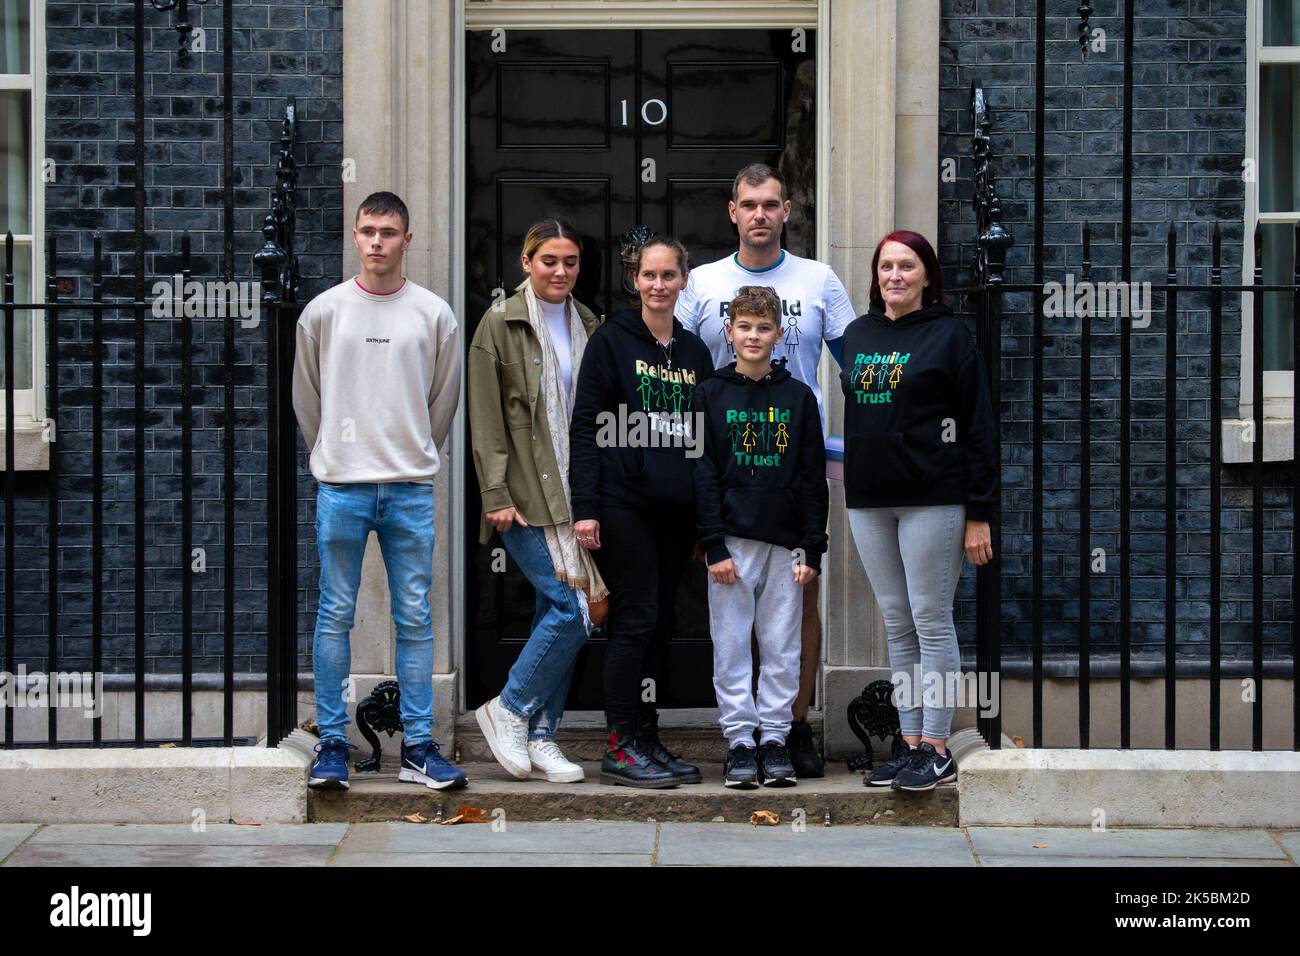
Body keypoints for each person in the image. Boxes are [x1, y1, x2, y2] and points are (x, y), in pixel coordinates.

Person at [676, 163, 855, 777]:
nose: (760, 213)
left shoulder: (819, 279)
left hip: (789, 496)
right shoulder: (700, 283)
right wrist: (706, 530)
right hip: (727, 499)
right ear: (733, 211)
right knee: (732, 637)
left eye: (771, 203)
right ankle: (741, 738)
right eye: (748, 203)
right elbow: (669, 365)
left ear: (785, 211)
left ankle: (786, 731)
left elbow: (864, 365)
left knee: (789, 629)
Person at [293, 191, 466, 791]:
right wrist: (333, 452)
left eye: (387, 232)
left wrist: (411, 450)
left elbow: (442, 402)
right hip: (342, 486)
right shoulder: (323, 312)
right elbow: (307, 398)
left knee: (414, 618)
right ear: (355, 236)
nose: (375, 242)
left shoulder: (433, 314)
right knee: (334, 614)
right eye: (366, 231)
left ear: (407, 240)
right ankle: (333, 744)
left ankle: (419, 747)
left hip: (410, 487)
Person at [840, 230, 997, 792]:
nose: (895, 275)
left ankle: (937, 746)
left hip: (934, 498)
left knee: (931, 620)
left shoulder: (950, 336)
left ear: (927, 275)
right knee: (898, 624)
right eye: (886, 266)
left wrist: (979, 512)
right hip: (870, 500)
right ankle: (908, 746)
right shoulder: (857, 336)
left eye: (907, 266)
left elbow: (977, 428)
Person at [569, 235, 715, 788]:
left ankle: (647, 736)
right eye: (649, 276)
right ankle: (620, 743)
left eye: (668, 276)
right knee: (634, 621)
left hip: (676, 512)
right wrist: (586, 508)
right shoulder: (611, 341)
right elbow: (586, 425)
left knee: (660, 624)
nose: (658, 285)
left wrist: (706, 522)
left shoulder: (696, 352)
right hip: (622, 503)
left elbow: (703, 442)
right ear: (636, 281)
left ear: (683, 280)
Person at [468, 218, 606, 784]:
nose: (560, 271)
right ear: (527, 262)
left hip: (577, 494)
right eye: (549, 260)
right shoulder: (500, 323)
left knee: (576, 612)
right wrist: (495, 493)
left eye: (570, 262)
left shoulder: (589, 324)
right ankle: (510, 707)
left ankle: (543, 736)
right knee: (571, 607)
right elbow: (487, 418)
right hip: (524, 495)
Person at [692, 285, 828, 788]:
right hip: (732, 541)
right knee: (730, 644)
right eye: (744, 326)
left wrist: (814, 546)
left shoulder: (797, 398)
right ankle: (740, 742)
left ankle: (775, 738)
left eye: (763, 327)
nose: (753, 335)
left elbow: (813, 478)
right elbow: (702, 472)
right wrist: (713, 543)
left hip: (787, 544)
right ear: (729, 332)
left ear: (779, 334)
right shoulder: (709, 393)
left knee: (781, 644)